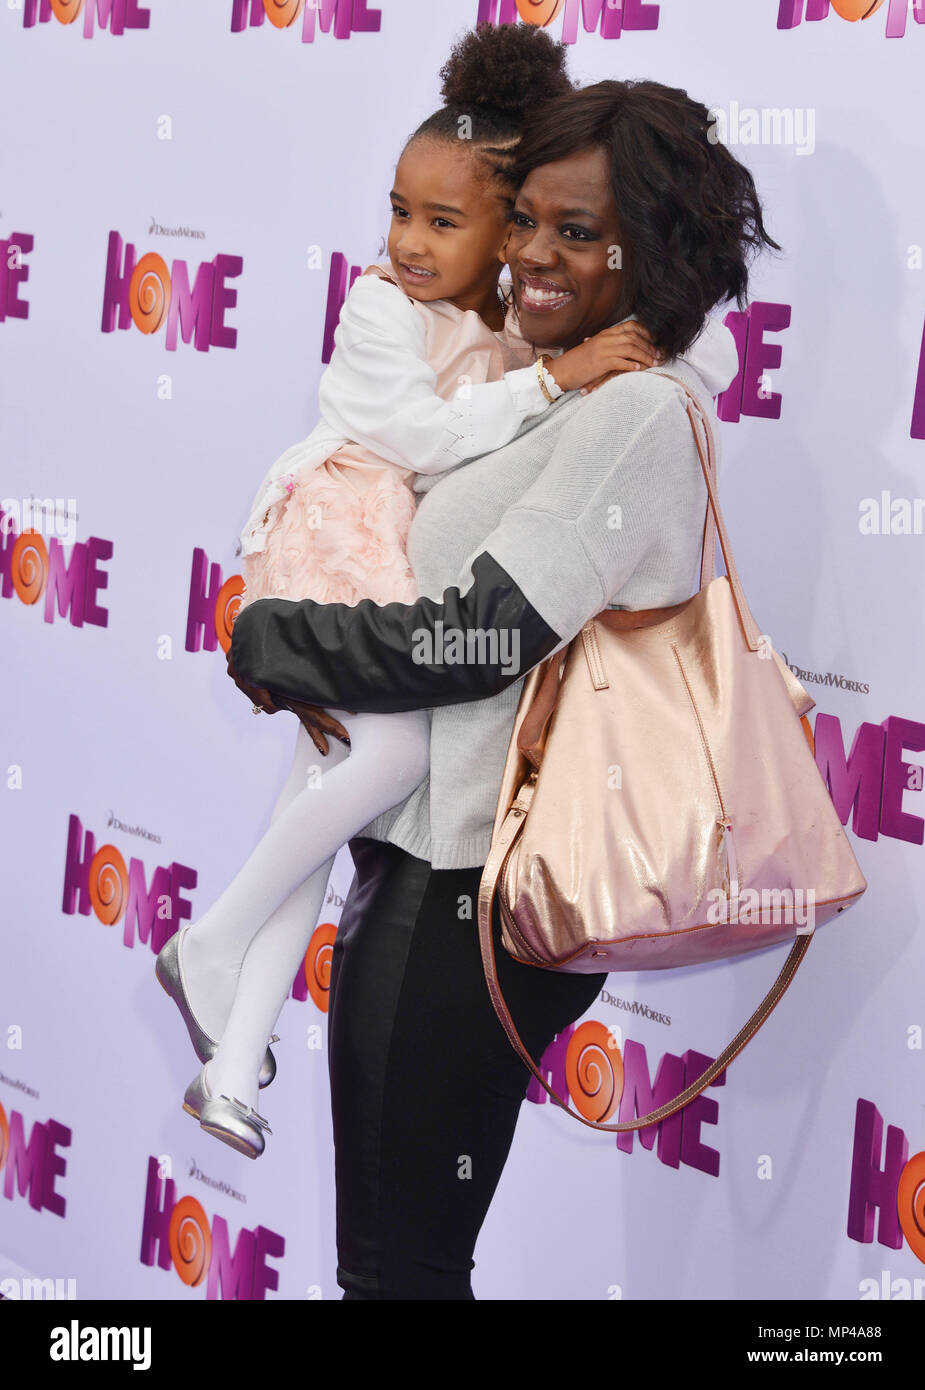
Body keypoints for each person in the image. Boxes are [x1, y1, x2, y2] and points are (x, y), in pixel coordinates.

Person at [228, 74, 777, 1298]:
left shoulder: (632, 413)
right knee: (400, 1265)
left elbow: (480, 640)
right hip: (436, 870)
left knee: (396, 1272)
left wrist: (275, 642)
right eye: (522, 217)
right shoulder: (550, 378)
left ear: (653, 252)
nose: (527, 252)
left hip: (465, 896)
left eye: (575, 232)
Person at [155, 25, 666, 1159]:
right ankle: (213, 942)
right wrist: (549, 384)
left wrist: (556, 368)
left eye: (444, 221)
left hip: (389, 553)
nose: (407, 240)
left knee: (320, 792)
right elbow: (421, 441)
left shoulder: (510, 330)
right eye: (399, 211)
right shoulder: (383, 305)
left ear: (504, 231)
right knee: (384, 757)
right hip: (336, 528)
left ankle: (233, 1063)